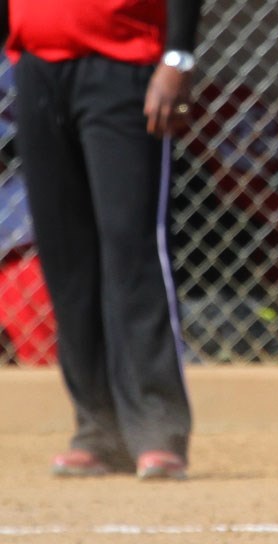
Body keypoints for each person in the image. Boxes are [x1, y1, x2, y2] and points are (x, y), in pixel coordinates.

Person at [0, 0, 202, 479]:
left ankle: (157, 429)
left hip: (124, 64)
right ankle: (98, 430)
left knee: (132, 250)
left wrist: (177, 58)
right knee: (65, 256)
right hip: (37, 66)